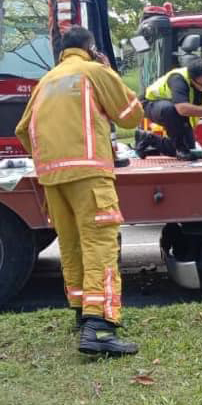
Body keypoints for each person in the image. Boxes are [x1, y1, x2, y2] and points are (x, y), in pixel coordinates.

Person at [15, 26, 143, 357]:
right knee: (100, 243)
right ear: (90, 47)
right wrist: (109, 71)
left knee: (71, 245)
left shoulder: (46, 81)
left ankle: (81, 310)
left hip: (52, 177)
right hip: (88, 172)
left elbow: (22, 129)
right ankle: (99, 328)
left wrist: (52, 160)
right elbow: (131, 116)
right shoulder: (93, 71)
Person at [136, 59, 202, 160]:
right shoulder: (178, 79)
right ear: (193, 81)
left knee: (190, 151)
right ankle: (180, 148)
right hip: (151, 103)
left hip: (178, 113)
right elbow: (182, 109)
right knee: (170, 110)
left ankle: (149, 139)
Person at [49, 0, 117, 70]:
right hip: (74, 58)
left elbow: (101, 29)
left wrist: (99, 53)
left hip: (93, 55)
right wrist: (88, 52)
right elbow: (65, 27)